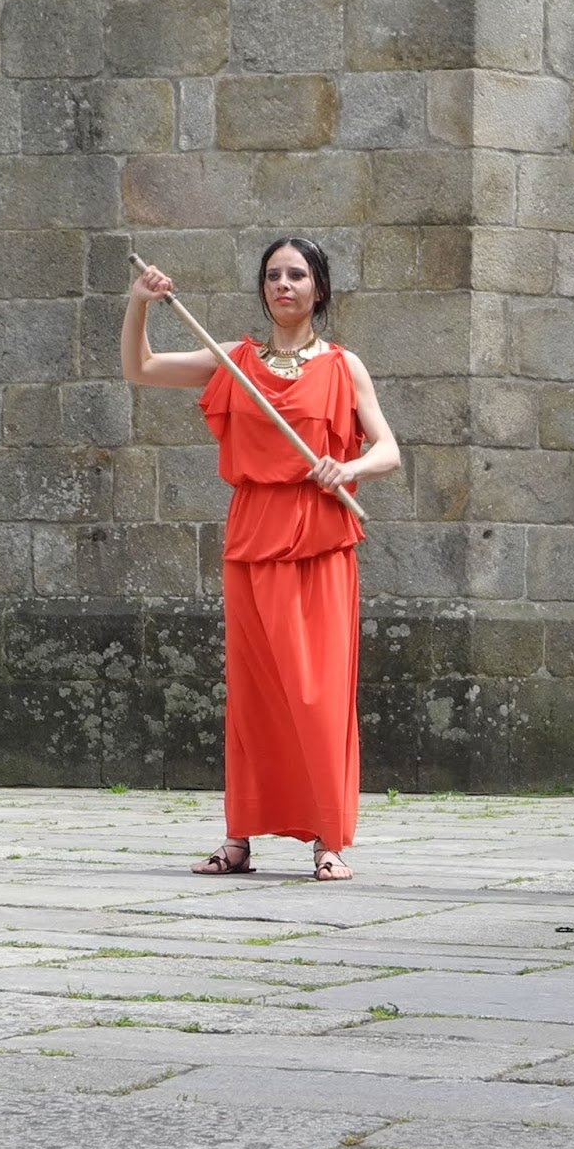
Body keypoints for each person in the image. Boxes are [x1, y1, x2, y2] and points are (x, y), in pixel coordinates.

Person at [121, 238, 400, 881]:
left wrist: (347, 465)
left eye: (297, 275)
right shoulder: (232, 359)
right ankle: (238, 837)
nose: (284, 284)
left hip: (321, 534)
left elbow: (388, 450)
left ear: (318, 289)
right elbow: (142, 367)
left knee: (319, 691)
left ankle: (328, 839)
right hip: (252, 535)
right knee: (253, 693)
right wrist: (139, 305)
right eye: (273, 275)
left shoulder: (343, 365)